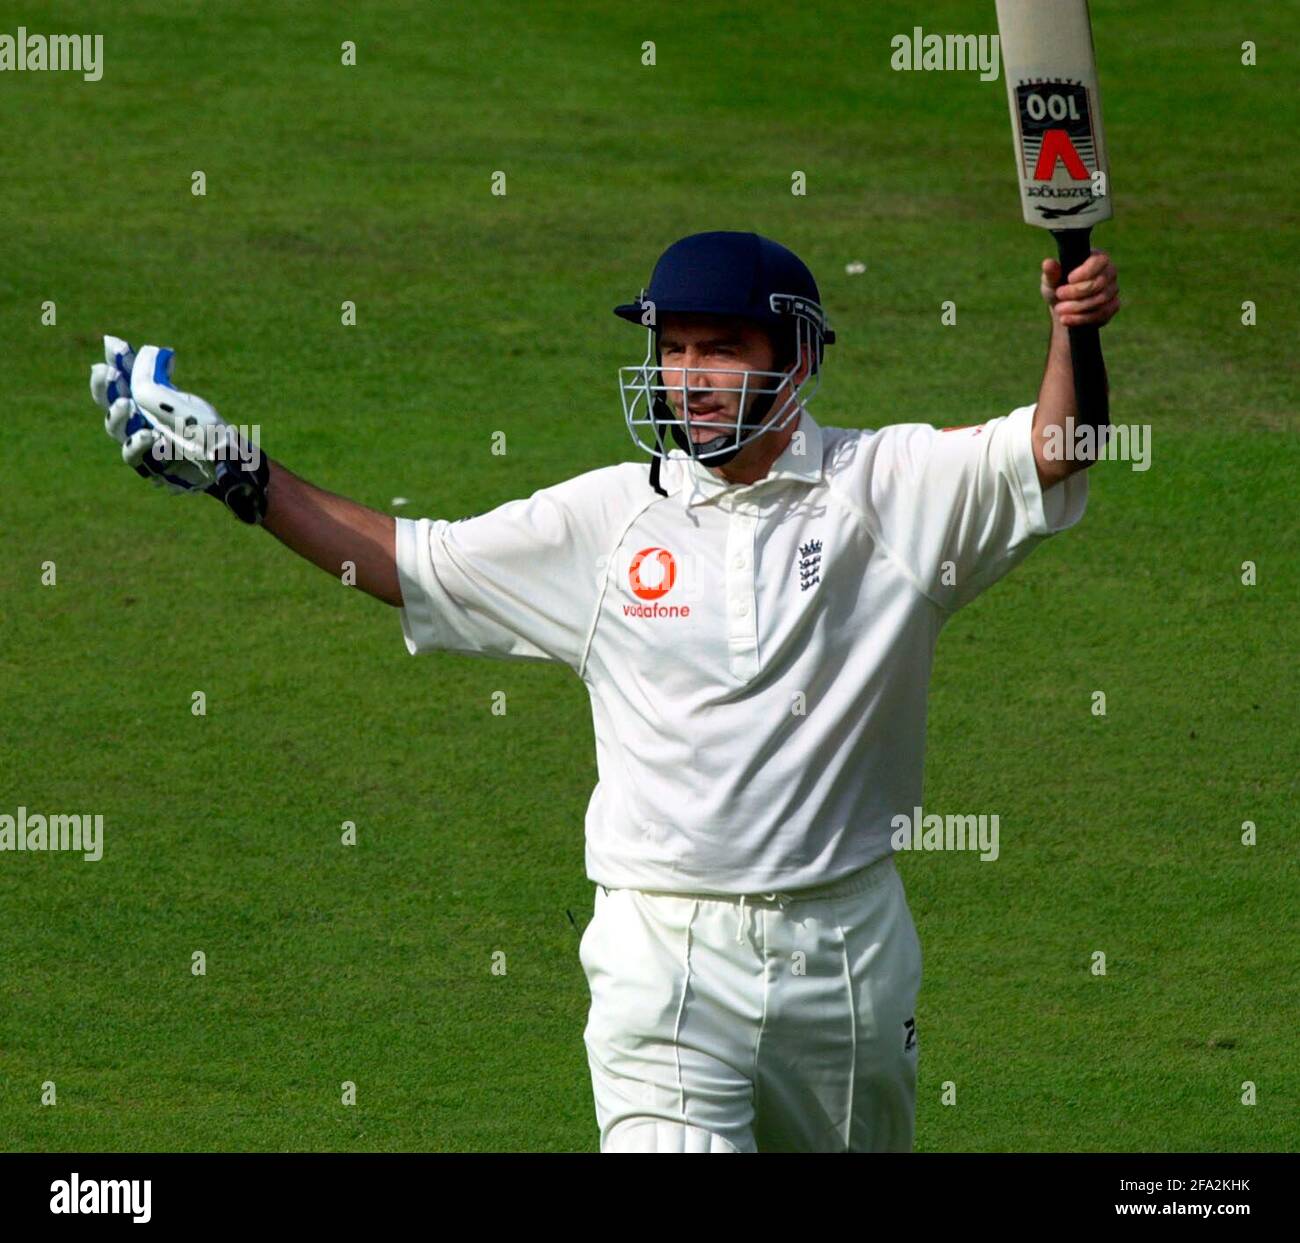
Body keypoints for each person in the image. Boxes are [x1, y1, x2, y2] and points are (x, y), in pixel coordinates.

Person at [88, 229, 1120, 1152]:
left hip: (842, 955)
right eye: (670, 349)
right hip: (661, 958)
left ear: (796, 357)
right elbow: (412, 560)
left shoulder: (891, 491)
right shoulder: (607, 522)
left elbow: (1053, 448)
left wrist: (1074, 333)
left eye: (719, 347)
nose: (687, 376)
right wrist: (240, 473)